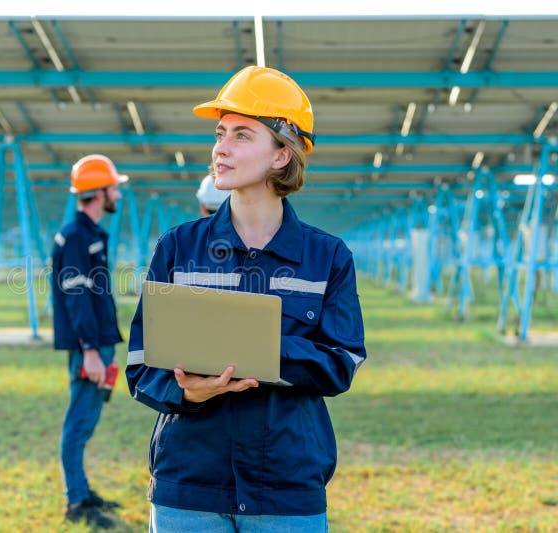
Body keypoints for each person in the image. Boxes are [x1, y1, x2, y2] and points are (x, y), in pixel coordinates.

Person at [126, 65, 367, 532]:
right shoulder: (178, 248)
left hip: (286, 488)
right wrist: (187, 391)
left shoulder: (328, 257)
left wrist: (257, 348)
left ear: (281, 154)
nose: (221, 148)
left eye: (241, 135)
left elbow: (342, 362)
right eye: (220, 134)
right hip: (188, 486)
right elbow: (141, 364)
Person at [51, 154, 128, 529]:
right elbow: (77, 297)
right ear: (99, 192)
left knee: (85, 421)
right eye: (114, 187)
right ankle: (76, 501)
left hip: (98, 341)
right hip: (91, 346)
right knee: (78, 424)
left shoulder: (89, 234)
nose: (118, 194)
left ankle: (82, 490)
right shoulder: (77, 237)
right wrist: (91, 352)